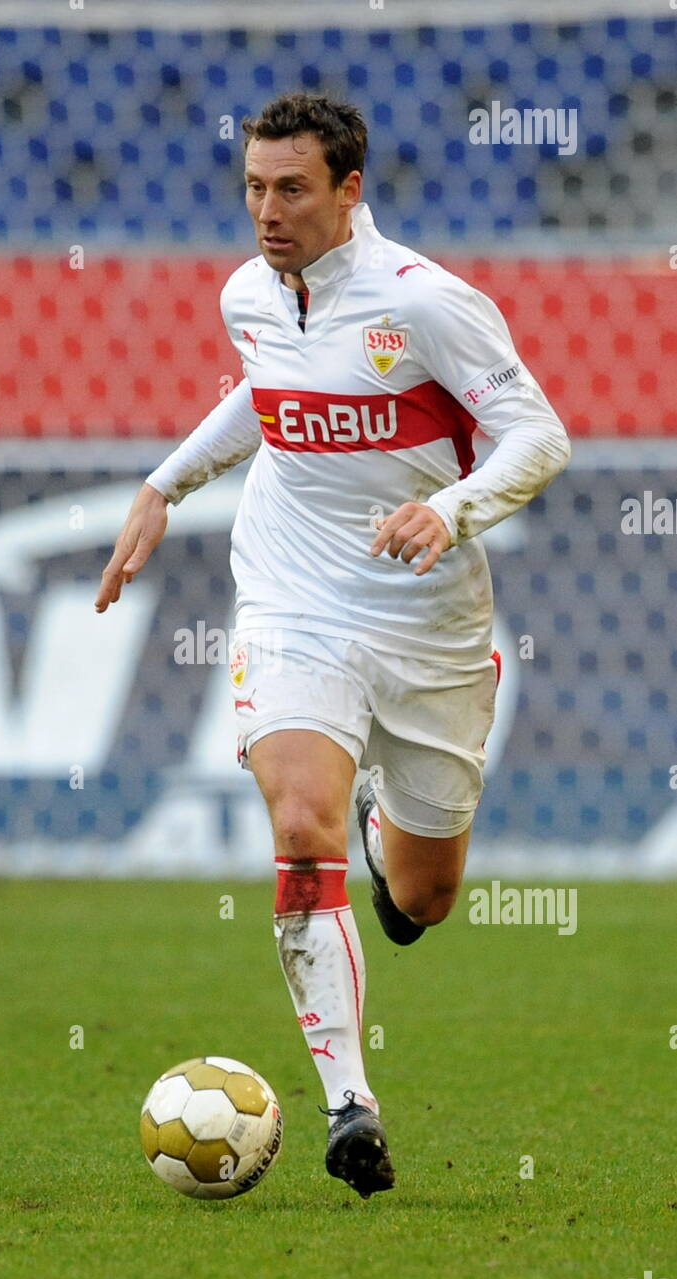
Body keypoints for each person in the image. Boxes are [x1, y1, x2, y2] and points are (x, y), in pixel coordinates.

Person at [95, 93, 570, 1198]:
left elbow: (540, 432)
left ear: (349, 189)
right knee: (298, 821)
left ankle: (386, 830)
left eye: (292, 188)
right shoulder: (247, 295)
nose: (267, 209)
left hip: (429, 622)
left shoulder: (429, 305)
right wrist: (165, 484)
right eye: (255, 186)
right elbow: (265, 399)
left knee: (420, 898)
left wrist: (450, 510)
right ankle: (349, 1102)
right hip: (292, 601)